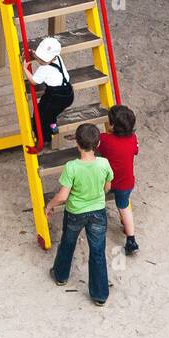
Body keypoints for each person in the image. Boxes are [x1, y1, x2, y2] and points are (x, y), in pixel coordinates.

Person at [47, 123, 113, 305]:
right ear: (97, 144)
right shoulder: (104, 163)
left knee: (68, 242)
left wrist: (50, 206)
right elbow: (107, 187)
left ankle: (60, 275)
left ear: (76, 143)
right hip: (98, 211)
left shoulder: (71, 167)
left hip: (75, 212)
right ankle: (100, 294)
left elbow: (62, 196)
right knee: (98, 251)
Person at [97, 105, 140, 256]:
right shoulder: (133, 138)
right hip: (127, 183)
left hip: (109, 182)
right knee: (124, 207)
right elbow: (135, 150)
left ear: (113, 125)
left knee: (102, 200)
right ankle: (130, 237)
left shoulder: (105, 139)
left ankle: (130, 239)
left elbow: (97, 147)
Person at [27, 36, 73, 143]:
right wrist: (35, 54)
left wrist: (25, 68)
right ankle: (53, 125)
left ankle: (44, 137)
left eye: (43, 59)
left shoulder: (44, 69)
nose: (41, 61)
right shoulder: (58, 58)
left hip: (56, 97)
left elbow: (33, 81)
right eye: (39, 57)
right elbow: (43, 58)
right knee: (50, 110)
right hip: (68, 92)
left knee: (41, 115)